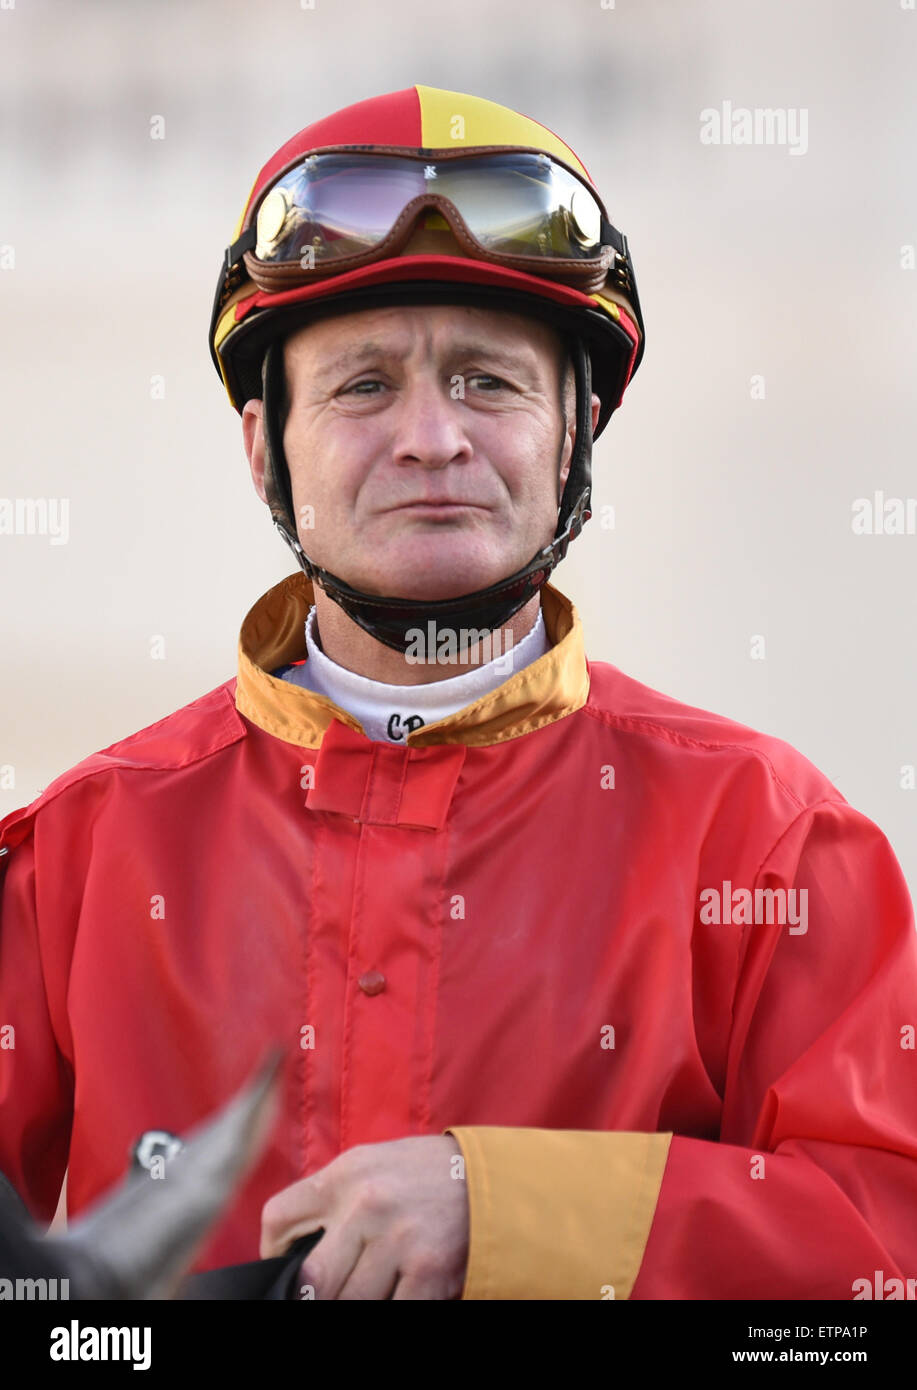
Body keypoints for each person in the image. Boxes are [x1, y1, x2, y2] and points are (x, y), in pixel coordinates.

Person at [1, 84, 916, 1302]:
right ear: (262, 444)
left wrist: (510, 1215)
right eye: (363, 385)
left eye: (488, 381)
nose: (432, 437)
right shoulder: (80, 846)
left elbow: (884, 1256)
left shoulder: (769, 837)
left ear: (576, 429)